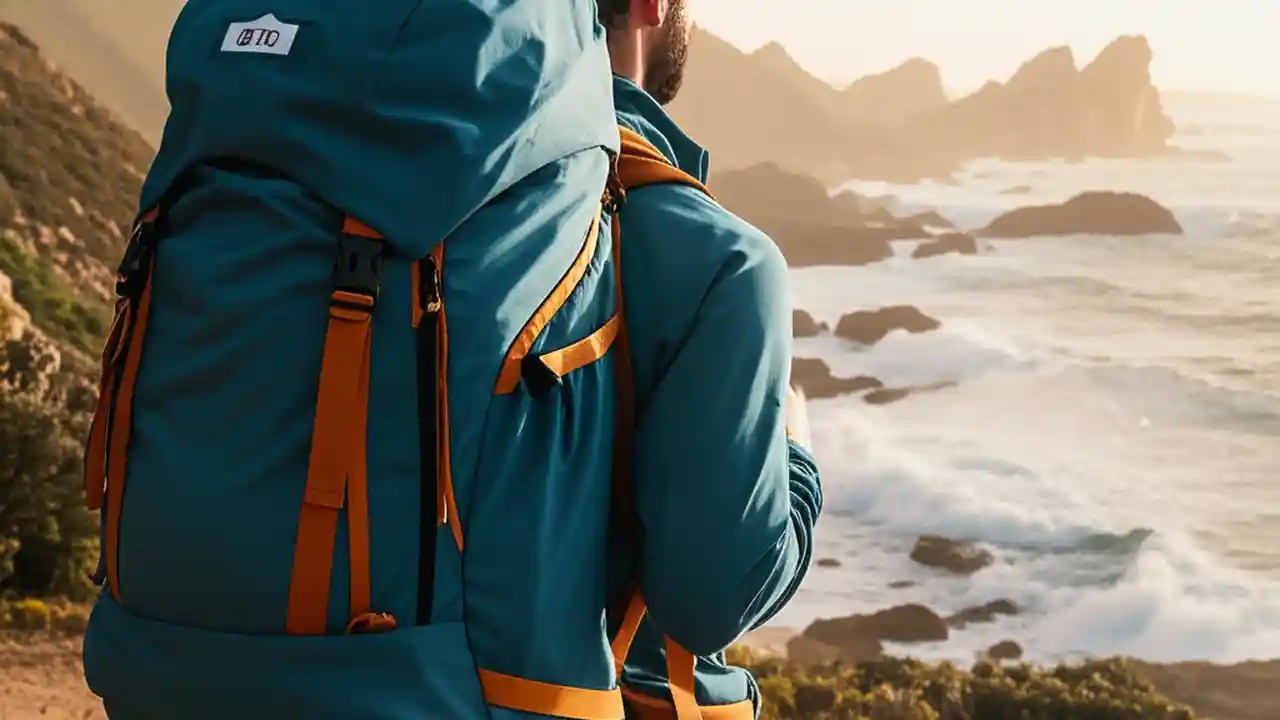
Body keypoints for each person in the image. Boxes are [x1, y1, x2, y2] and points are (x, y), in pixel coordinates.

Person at [598, 0, 824, 716]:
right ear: (649, 6)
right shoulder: (722, 263)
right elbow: (709, 601)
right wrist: (795, 454)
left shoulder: (323, 185)